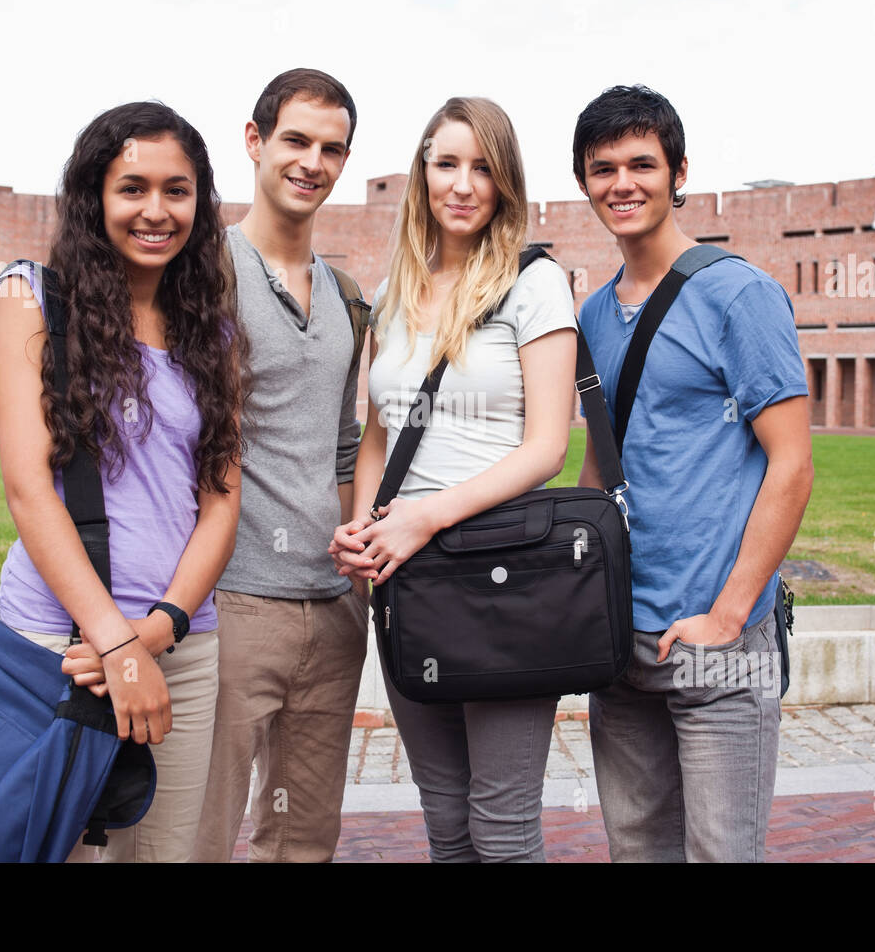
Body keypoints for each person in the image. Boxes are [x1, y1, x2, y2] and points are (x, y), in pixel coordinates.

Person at [0, 101, 244, 863]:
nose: (156, 210)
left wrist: (156, 633)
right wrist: (114, 644)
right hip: (58, 642)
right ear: (94, 195)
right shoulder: (30, 297)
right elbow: (29, 490)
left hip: (183, 647)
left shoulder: (215, 327)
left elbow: (222, 501)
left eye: (178, 190)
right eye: (133, 188)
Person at [571, 84, 814, 862]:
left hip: (719, 636)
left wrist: (729, 614)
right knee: (636, 850)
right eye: (603, 168)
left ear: (680, 173)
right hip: (621, 638)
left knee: (721, 852)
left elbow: (793, 463)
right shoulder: (593, 316)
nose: (623, 183)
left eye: (642, 164)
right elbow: (598, 463)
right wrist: (574, 594)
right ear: (584, 182)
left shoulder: (738, 294)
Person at [331, 97, 577, 862]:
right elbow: (379, 432)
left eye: (483, 167)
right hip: (409, 580)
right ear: (423, 173)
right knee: (444, 819)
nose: (463, 184)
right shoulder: (395, 294)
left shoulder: (534, 285)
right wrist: (371, 525)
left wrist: (426, 516)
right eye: (447, 164)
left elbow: (546, 450)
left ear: (505, 181)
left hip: (504, 581)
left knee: (503, 830)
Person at [193, 69, 369, 863]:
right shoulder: (203, 272)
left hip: (332, 609)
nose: (313, 162)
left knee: (301, 840)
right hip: (230, 602)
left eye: (333, 148)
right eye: (296, 140)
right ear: (255, 141)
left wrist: (355, 577)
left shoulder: (346, 293)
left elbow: (340, 443)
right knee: (194, 833)